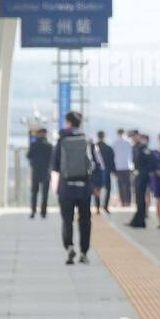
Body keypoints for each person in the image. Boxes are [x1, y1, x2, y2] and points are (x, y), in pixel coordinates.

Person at [50, 111, 101, 264]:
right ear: (80, 123)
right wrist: (97, 185)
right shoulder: (88, 140)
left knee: (67, 220)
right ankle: (84, 252)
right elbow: (98, 164)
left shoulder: (62, 140)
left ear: (68, 123)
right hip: (84, 188)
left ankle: (70, 246)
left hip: (66, 188)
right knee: (85, 220)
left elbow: (55, 165)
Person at [128, 133, 153, 228]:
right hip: (137, 174)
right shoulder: (135, 147)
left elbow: (151, 162)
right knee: (138, 198)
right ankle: (138, 219)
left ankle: (141, 220)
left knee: (141, 198)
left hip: (143, 176)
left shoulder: (143, 148)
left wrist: (145, 172)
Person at [26, 127, 53, 219]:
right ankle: (43, 212)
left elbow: (29, 155)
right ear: (45, 134)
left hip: (36, 171)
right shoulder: (49, 146)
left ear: (38, 134)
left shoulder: (34, 145)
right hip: (46, 171)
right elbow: (53, 159)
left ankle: (33, 211)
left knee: (34, 192)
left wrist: (34, 162)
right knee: (45, 193)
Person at [92, 130, 116, 214]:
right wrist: (114, 171)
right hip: (106, 171)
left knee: (97, 189)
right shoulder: (108, 148)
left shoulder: (94, 147)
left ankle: (98, 207)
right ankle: (105, 206)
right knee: (108, 189)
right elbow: (112, 160)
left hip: (97, 172)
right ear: (104, 136)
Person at [111, 129, 134, 208]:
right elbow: (131, 155)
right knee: (127, 185)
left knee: (120, 185)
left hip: (118, 167)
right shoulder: (128, 142)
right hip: (127, 166)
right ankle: (128, 201)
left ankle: (123, 201)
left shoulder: (115, 143)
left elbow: (112, 157)